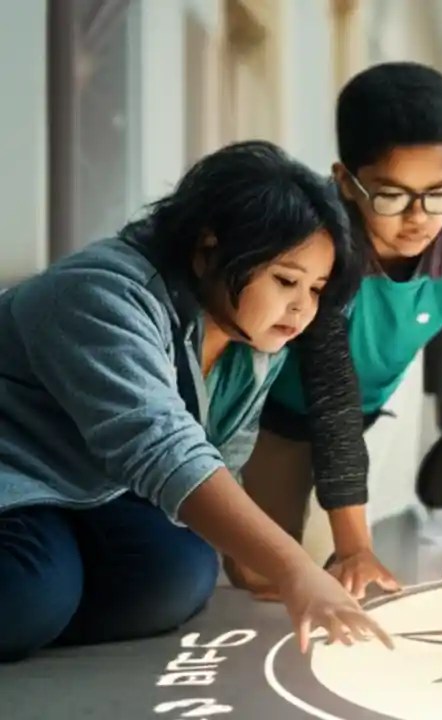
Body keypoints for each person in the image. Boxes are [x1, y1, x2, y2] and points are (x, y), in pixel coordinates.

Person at [0, 141, 390, 662]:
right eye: (286, 280)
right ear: (209, 249)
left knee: (179, 573)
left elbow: (221, 460)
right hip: (13, 476)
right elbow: (163, 449)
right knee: (33, 589)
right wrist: (292, 568)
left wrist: (263, 565)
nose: (302, 308)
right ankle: (41, 602)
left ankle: (46, 602)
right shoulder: (100, 293)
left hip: (85, 491)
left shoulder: (253, 337)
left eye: (316, 289)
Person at [230, 62, 442, 593]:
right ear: (345, 182)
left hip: (367, 410)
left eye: (439, 191)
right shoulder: (320, 231)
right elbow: (331, 391)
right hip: (277, 410)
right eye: (391, 196)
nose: (419, 217)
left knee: (352, 565)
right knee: (264, 577)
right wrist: (355, 549)